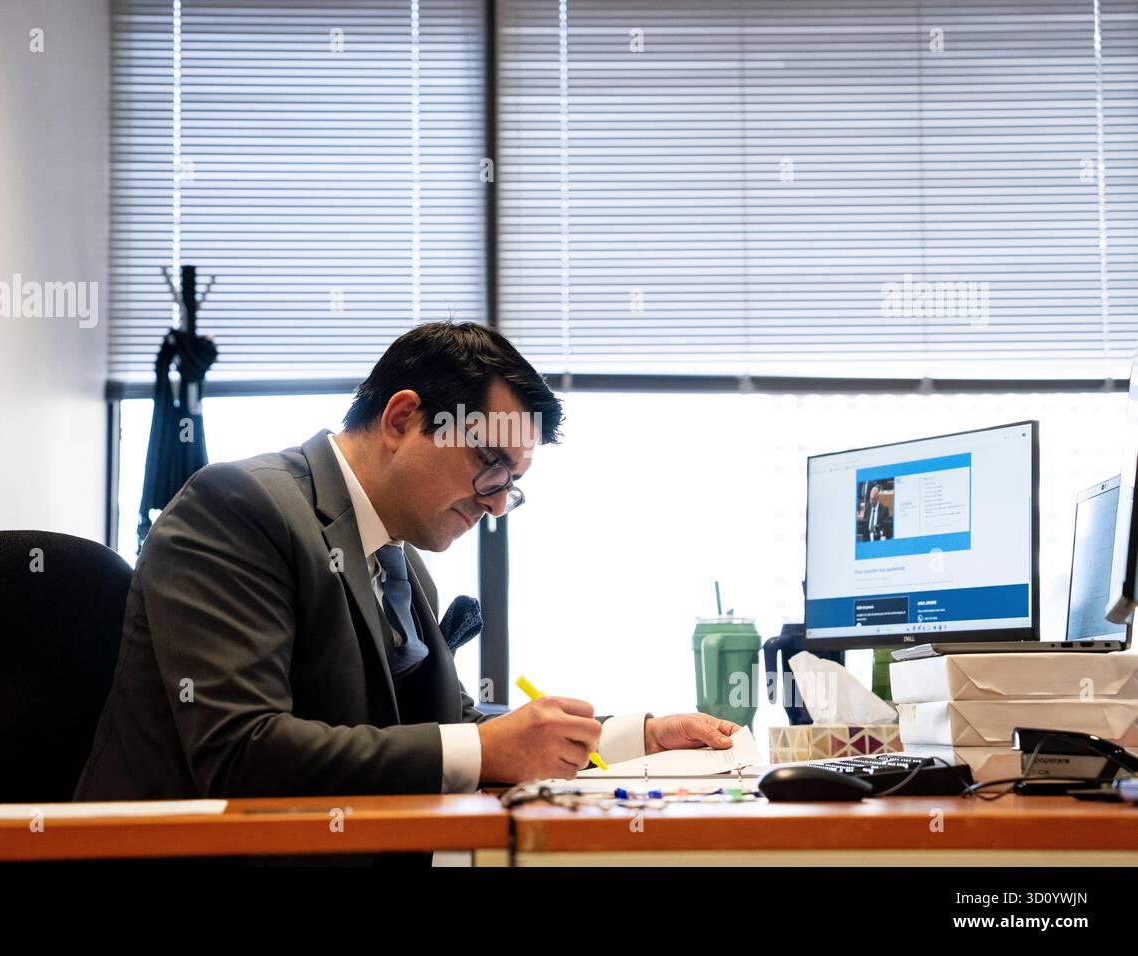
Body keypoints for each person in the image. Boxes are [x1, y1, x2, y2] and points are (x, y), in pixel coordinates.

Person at [75, 322, 739, 859]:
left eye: (514, 482)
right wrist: (485, 749)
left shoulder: (397, 553)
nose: (499, 505)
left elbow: (444, 728)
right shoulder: (237, 506)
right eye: (491, 467)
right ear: (401, 419)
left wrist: (630, 738)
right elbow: (243, 753)